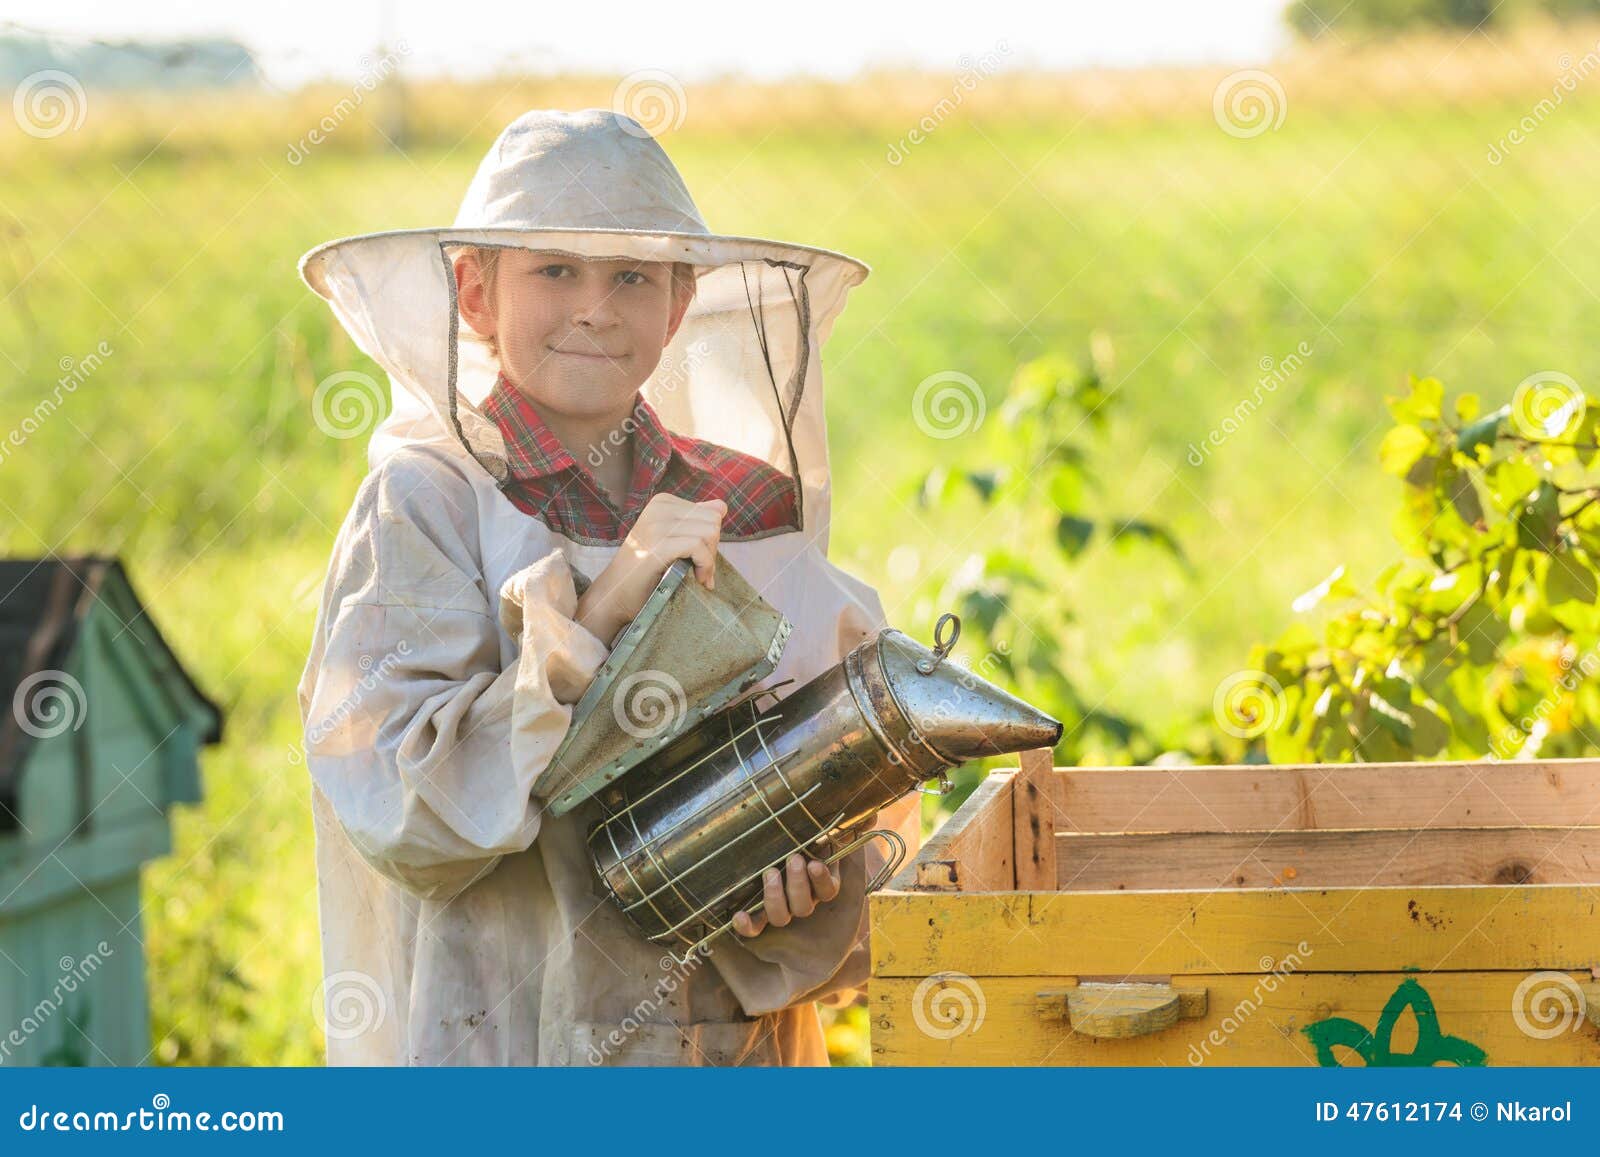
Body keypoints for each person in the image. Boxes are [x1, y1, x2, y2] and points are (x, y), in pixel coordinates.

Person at [295, 107, 920, 1066]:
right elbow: (399, 809)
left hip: (721, 1053)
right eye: (556, 269)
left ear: (678, 305)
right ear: (475, 292)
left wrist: (805, 884)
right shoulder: (425, 505)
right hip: (499, 1044)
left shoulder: (746, 509)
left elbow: (856, 806)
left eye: (632, 275)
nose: (596, 306)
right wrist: (601, 608)